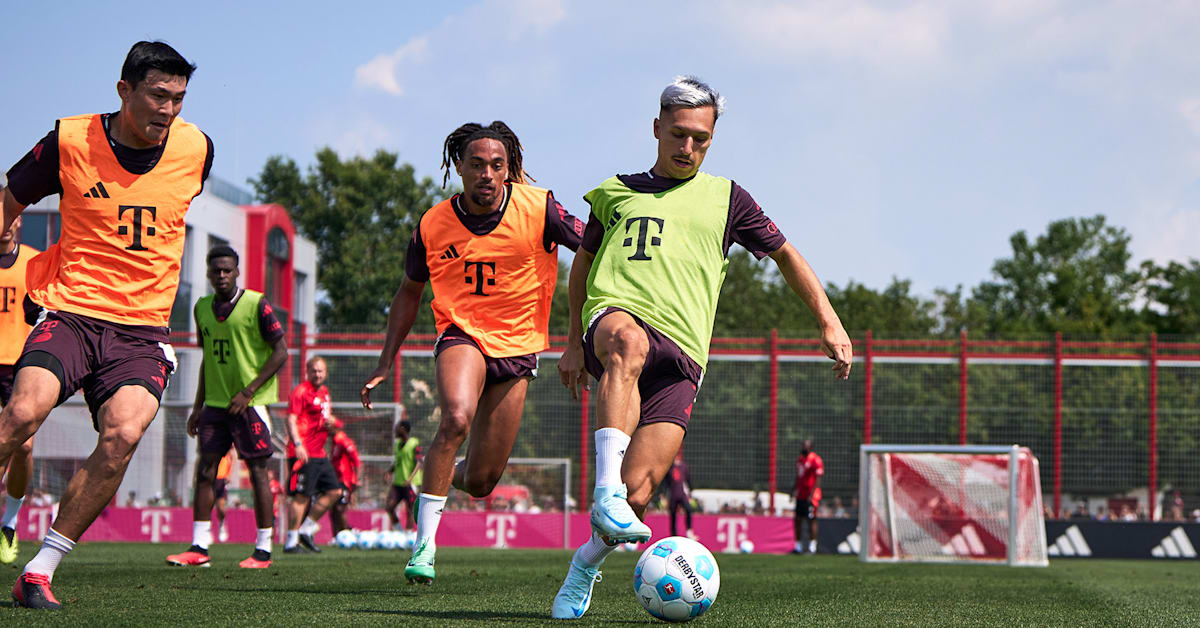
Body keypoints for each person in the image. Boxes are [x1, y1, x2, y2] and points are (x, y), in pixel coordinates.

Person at [551, 76, 852, 619]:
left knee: (639, 492)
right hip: (617, 320)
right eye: (679, 134)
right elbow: (583, 269)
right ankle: (604, 495)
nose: (687, 147)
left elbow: (786, 254)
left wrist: (831, 323)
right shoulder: (613, 192)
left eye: (701, 139)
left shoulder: (728, 198)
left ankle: (584, 564)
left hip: (684, 354)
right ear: (657, 128)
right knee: (626, 342)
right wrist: (573, 340)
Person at [0, 41, 212, 610]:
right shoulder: (70, 141)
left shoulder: (197, 148)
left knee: (122, 435)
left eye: (179, 98)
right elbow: (9, 199)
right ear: (124, 91)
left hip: (142, 330)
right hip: (71, 311)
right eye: (158, 95)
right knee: (21, 413)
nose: (168, 110)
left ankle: (39, 571)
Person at [361, 121, 583, 585]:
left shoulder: (539, 208)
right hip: (462, 333)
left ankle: (440, 471)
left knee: (482, 481)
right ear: (458, 167)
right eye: (477, 164)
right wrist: (386, 359)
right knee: (455, 418)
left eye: (497, 165)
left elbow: (594, 248)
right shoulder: (433, 222)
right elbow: (408, 292)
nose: (487, 173)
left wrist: (583, 335)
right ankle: (424, 546)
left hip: (520, 346)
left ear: (509, 170)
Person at [165, 246, 287, 569]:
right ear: (207, 273)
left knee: (258, 472)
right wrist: (197, 406)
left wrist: (248, 392)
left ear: (237, 272)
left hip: (250, 405)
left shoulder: (256, 304)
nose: (221, 275)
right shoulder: (201, 309)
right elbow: (208, 360)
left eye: (227, 270)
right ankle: (199, 548)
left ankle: (263, 551)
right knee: (205, 472)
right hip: (215, 406)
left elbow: (281, 352)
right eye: (215, 270)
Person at [0, 208, 38, 565]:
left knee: (24, 448)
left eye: (7, 214)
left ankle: (9, 524)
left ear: (17, 220)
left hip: (21, 366)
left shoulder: (33, 263)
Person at [284, 356, 342, 553]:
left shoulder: (324, 392)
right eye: (314, 370)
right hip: (303, 453)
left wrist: (332, 422)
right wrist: (297, 444)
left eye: (321, 371)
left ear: (325, 373)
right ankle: (291, 542)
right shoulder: (301, 391)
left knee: (335, 491)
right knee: (302, 496)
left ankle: (306, 529)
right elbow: (291, 420)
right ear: (307, 371)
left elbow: (327, 419)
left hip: (319, 453)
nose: (317, 374)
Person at [385, 419, 422, 532]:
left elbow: (419, 462)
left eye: (397, 427)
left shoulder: (414, 443)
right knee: (389, 507)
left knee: (410, 509)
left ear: (403, 429)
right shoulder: (397, 445)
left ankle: (409, 533)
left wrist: (410, 478)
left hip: (411, 483)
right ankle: (400, 531)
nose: (395, 430)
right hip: (398, 482)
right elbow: (398, 462)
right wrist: (389, 471)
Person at [328, 420, 361, 535]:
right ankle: (336, 536)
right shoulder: (334, 442)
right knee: (333, 510)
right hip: (335, 481)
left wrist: (357, 479)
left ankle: (346, 534)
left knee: (340, 509)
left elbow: (356, 462)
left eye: (330, 427)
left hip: (345, 481)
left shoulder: (344, 441)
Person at [792, 440, 823, 554]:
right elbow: (798, 477)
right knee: (798, 520)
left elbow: (818, 479)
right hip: (800, 495)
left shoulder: (816, 460)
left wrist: (812, 495)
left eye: (805, 446)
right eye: (803, 445)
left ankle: (812, 547)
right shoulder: (800, 459)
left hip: (811, 497)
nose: (803, 447)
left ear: (810, 447)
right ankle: (798, 546)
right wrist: (793, 490)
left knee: (811, 520)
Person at [660, 451, 695, 539]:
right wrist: (663, 495)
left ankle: (689, 530)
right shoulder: (669, 468)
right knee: (673, 515)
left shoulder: (683, 466)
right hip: (673, 494)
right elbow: (665, 483)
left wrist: (691, 492)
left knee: (688, 509)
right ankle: (673, 534)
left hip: (682, 493)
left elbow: (688, 479)